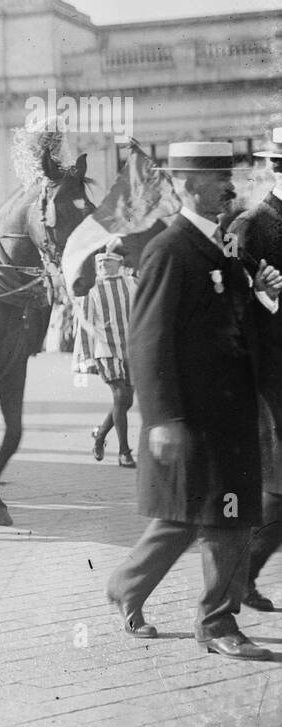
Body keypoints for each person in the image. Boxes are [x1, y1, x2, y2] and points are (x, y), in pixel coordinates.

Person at [107, 141, 282, 660]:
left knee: (195, 518)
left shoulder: (227, 248)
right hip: (194, 415)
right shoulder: (170, 250)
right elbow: (147, 340)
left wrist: (262, 295)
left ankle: (125, 586)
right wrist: (161, 419)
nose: (228, 185)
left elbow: (243, 325)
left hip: (233, 413)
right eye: (215, 178)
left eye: (227, 174)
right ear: (186, 186)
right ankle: (218, 623)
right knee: (219, 518)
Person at [228, 125, 282, 611]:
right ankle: (239, 576)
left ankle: (242, 576)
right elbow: (234, 308)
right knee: (279, 491)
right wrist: (268, 296)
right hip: (272, 377)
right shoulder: (253, 224)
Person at [77, 239, 137, 467]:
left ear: (119, 263)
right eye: (100, 263)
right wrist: (88, 358)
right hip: (106, 350)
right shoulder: (91, 290)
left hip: (130, 349)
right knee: (121, 397)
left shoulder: (131, 284)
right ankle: (124, 452)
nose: (103, 266)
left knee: (126, 401)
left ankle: (100, 435)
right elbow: (85, 325)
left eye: (108, 262)